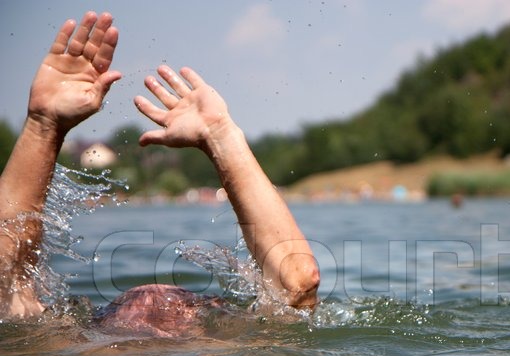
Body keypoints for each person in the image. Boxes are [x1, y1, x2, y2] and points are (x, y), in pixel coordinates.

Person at [0, 12, 319, 335]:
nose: (154, 297)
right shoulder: (233, 353)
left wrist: (43, 127)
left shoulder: (66, 346)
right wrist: (221, 138)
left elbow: (7, 281)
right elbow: (296, 285)